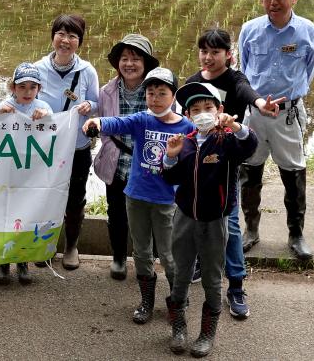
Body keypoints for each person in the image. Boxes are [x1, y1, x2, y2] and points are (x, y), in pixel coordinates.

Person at [185, 28, 285, 319]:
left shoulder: (235, 79)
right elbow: (183, 118)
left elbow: (247, 93)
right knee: (196, 218)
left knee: (229, 226)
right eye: (204, 51)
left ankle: (237, 286)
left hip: (226, 165)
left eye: (215, 52)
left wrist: (261, 104)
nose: (208, 57)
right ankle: (201, 262)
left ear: (228, 54)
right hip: (198, 163)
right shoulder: (192, 82)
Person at [83, 68, 194, 324]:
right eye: (150, 93)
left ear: (174, 96)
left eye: (162, 93)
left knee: (168, 255)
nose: (155, 99)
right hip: (136, 197)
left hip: (166, 201)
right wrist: (97, 122)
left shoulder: (186, 127)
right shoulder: (142, 119)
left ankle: (178, 299)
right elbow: (117, 123)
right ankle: (146, 301)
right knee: (141, 253)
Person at [162, 82, 257, 357]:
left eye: (208, 108)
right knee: (180, 274)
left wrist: (235, 127)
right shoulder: (186, 142)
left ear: (219, 110)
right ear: (188, 115)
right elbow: (171, 177)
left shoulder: (227, 141)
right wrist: (170, 157)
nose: (202, 113)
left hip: (215, 221)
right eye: (195, 110)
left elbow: (250, 145)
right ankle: (178, 328)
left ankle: (207, 334)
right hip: (184, 217)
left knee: (212, 278)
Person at [238, 0, 314, 260]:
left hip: (288, 115)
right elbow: (244, 72)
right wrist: (257, 101)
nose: (273, 1)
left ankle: (296, 234)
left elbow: (309, 70)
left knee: (294, 172)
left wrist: (292, 96)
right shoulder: (249, 29)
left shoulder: (308, 31)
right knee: (250, 170)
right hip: (255, 114)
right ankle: (250, 230)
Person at [34, 14, 99, 271]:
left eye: (72, 36)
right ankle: (45, 244)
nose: (65, 40)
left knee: (75, 198)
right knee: (44, 195)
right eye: (60, 34)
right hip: (44, 147)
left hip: (76, 146)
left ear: (79, 42)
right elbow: (22, 99)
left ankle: (71, 246)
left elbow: (97, 102)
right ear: (53, 37)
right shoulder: (37, 69)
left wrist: (89, 105)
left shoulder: (87, 71)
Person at [93, 34, 159, 281]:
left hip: (148, 164)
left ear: (146, 63)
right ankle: (119, 257)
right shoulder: (107, 91)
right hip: (117, 162)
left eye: (136, 58)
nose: (129, 64)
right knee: (117, 212)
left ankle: (147, 258)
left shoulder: (158, 90)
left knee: (150, 213)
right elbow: (103, 127)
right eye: (124, 58)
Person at [0, 62, 53, 284]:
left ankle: (23, 261)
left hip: (31, 173)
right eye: (22, 87)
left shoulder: (44, 106)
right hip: (7, 172)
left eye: (32, 87)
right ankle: (3, 262)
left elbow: (54, 129)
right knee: (5, 215)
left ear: (39, 88)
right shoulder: (5, 105)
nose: (27, 92)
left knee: (27, 216)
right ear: (13, 87)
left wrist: (46, 116)